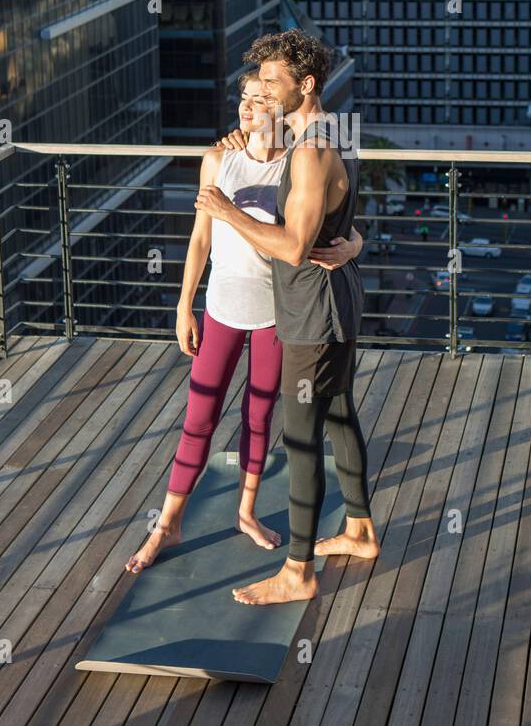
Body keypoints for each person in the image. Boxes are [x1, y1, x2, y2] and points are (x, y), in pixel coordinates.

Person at [124, 71, 363, 573]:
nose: (248, 107)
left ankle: (246, 513)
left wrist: (355, 246)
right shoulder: (218, 159)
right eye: (244, 98)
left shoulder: (299, 162)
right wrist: (183, 303)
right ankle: (167, 524)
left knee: (257, 417)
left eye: (261, 98)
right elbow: (199, 241)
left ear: (281, 106)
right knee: (199, 418)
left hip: (276, 314)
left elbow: (335, 225)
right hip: (221, 310)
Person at [195, 29, 380, 607]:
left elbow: (296, 245)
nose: (264, 93)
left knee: (301, 438)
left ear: (306, 84)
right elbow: (342, 217)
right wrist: (353, 244)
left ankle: (297, 572)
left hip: (310, 311)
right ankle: (359, 531)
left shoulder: (309, 149)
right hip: (338, 296)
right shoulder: (333, 133)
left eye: (273, 83)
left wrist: (227, 210)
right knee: (341, 413)